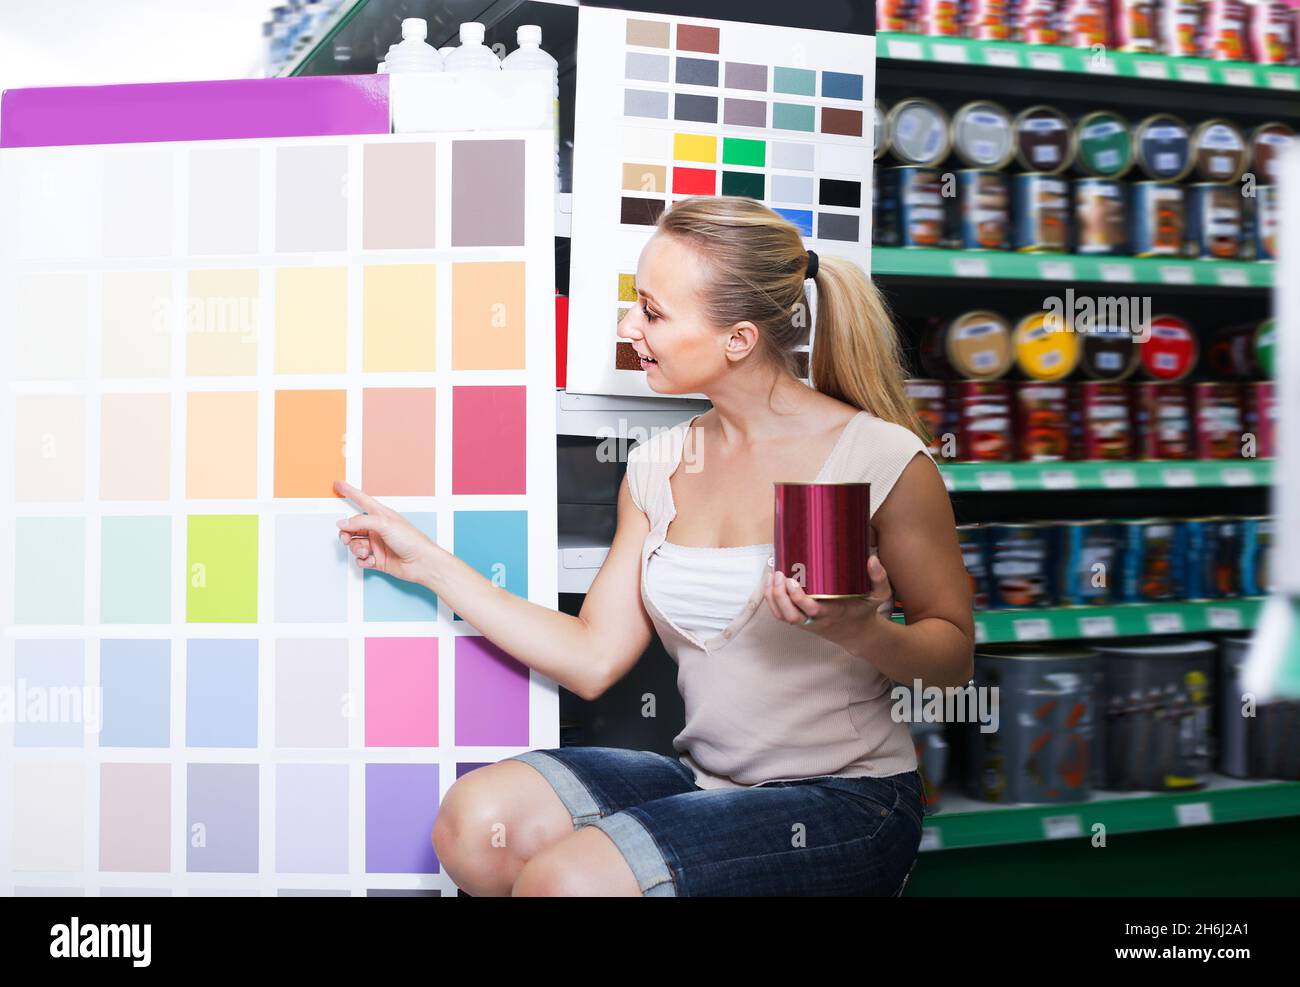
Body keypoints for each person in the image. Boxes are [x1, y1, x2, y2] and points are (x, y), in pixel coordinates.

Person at [333, 195, 974, 896]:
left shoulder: (878, 457)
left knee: (568, 883)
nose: (627, 326)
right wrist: (423, 560)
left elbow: (953, 660)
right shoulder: (659, 464)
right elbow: (592, 656)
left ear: (737, 339)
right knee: (476, 822)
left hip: (848, 799)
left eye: (652, 311)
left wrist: (860, 629)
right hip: (709, 777)